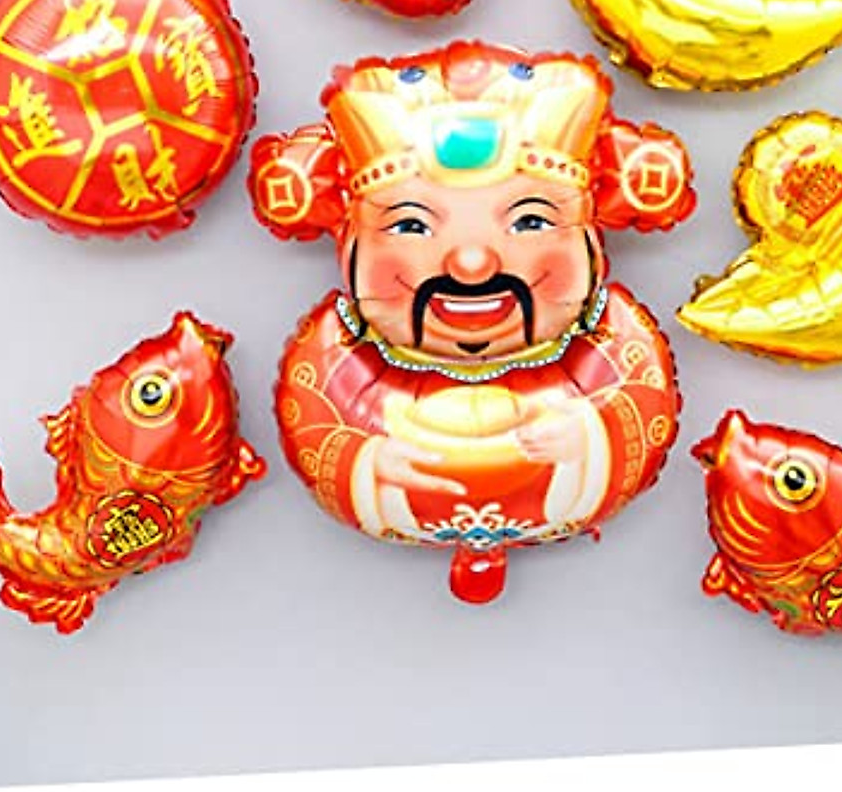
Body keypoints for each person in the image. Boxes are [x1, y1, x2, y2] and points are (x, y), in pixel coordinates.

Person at [250, 41, 695, 599]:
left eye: (530, 222)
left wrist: (588, 437)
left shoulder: (616, 352)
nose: (471, 263)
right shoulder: (332, 363)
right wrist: (369, 464)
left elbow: (637, 412)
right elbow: (318, 427)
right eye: (411, 227)